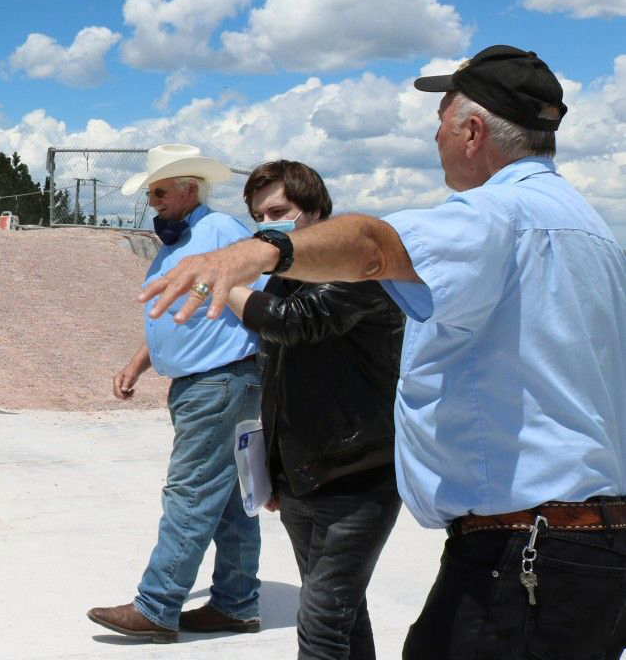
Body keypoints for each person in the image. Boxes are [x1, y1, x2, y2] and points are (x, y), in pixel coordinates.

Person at [143, 45, 626, 659]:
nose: (434, 137)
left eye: (441, 122)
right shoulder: (593, 231)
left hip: (522, 557)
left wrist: (258, 253)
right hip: (590, 551)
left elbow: (373, 245)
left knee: (329, 628)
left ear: (473, 132)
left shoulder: (496, 216)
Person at [89, 144, 262, 645]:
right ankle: (236, 604)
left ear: (190, 189)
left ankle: (158, 604)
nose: (153, 201)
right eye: (151, 193)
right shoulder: (178, 243)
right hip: (206, 384)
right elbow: (175, 317)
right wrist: (138, 362)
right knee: (229, 499)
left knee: (190, 490)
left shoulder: (222, 235)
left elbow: (260, 301)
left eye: (160, 192)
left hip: (222, 381)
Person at [234, 160, 404, 660]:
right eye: (259, 215)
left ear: (315, 213)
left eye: (280, 211)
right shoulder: (282, 281)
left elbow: (294, 324)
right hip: (304, 479)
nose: (269, 224)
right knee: (343, 616)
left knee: (321, 621)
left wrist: (226, 285)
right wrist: (275, 469)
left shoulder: (356, 270)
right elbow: (279, 379)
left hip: (359, 478)